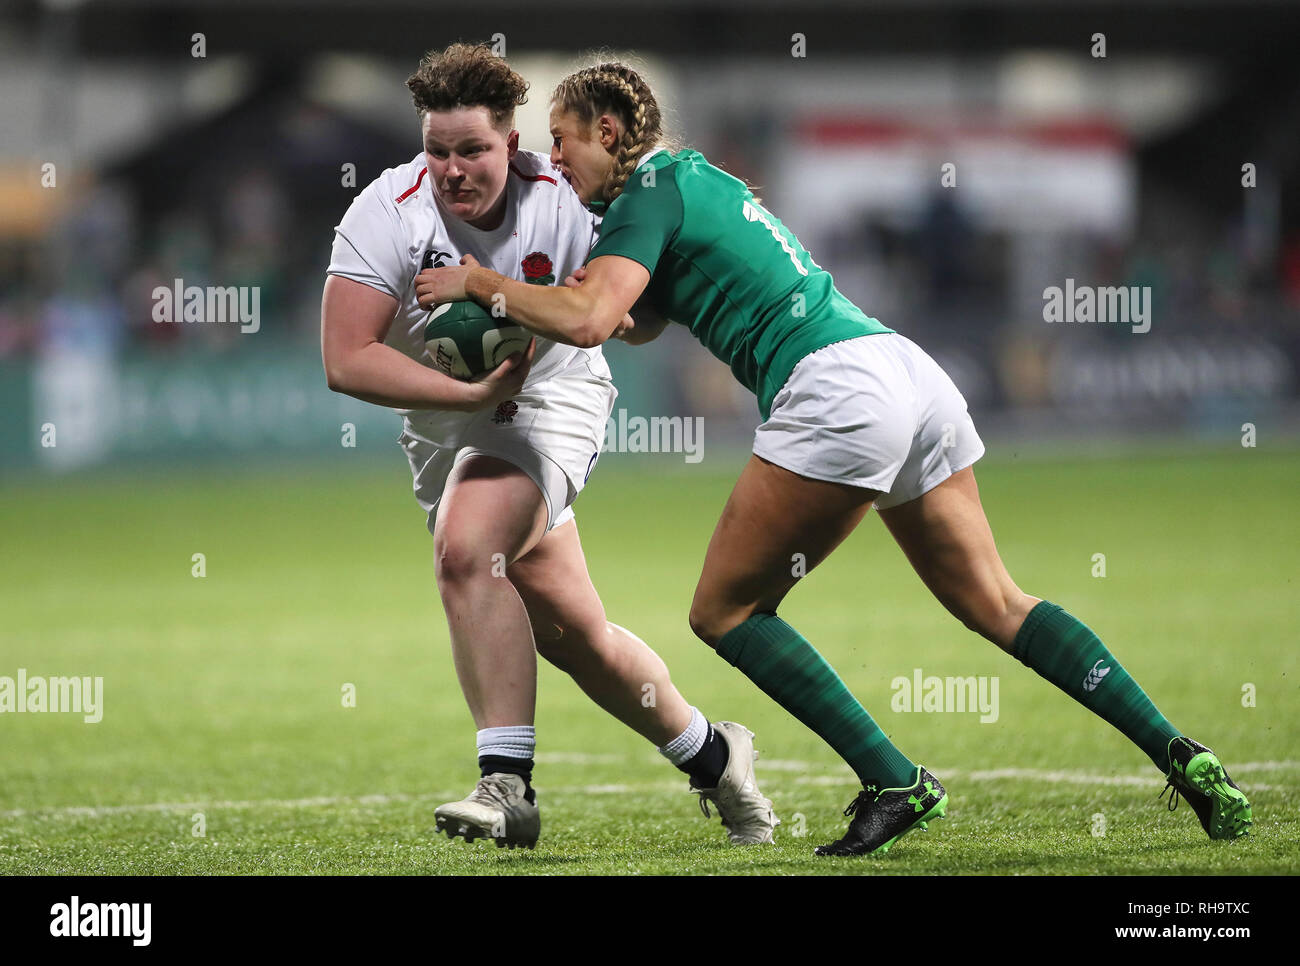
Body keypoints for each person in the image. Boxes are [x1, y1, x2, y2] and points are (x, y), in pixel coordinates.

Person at [415, 61, 1253, 856]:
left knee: (726, 613)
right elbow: (635, 320)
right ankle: (1183, 754)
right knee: (998, 600)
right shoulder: (692, 178)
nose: (552, 157)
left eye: (561, 138)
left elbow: (595, 317)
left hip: (836, 392)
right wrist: (531, 304)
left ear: (608, 130)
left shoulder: (647, 188)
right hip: (902, 369)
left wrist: (479, 289)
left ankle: (895, 780)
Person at [321, 44, 777, 850]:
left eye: (473, 150)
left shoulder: (565, 198)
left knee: (468, 550)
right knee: (576, 638)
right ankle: (716, 754)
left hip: (555, 399)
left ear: (512, 142)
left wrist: (611, 311)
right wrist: (466, 395)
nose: (453, 169)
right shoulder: (386, 210)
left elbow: (641, 319)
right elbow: (345, 358)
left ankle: (508, 786)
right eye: (438, 150)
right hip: (444, 423)